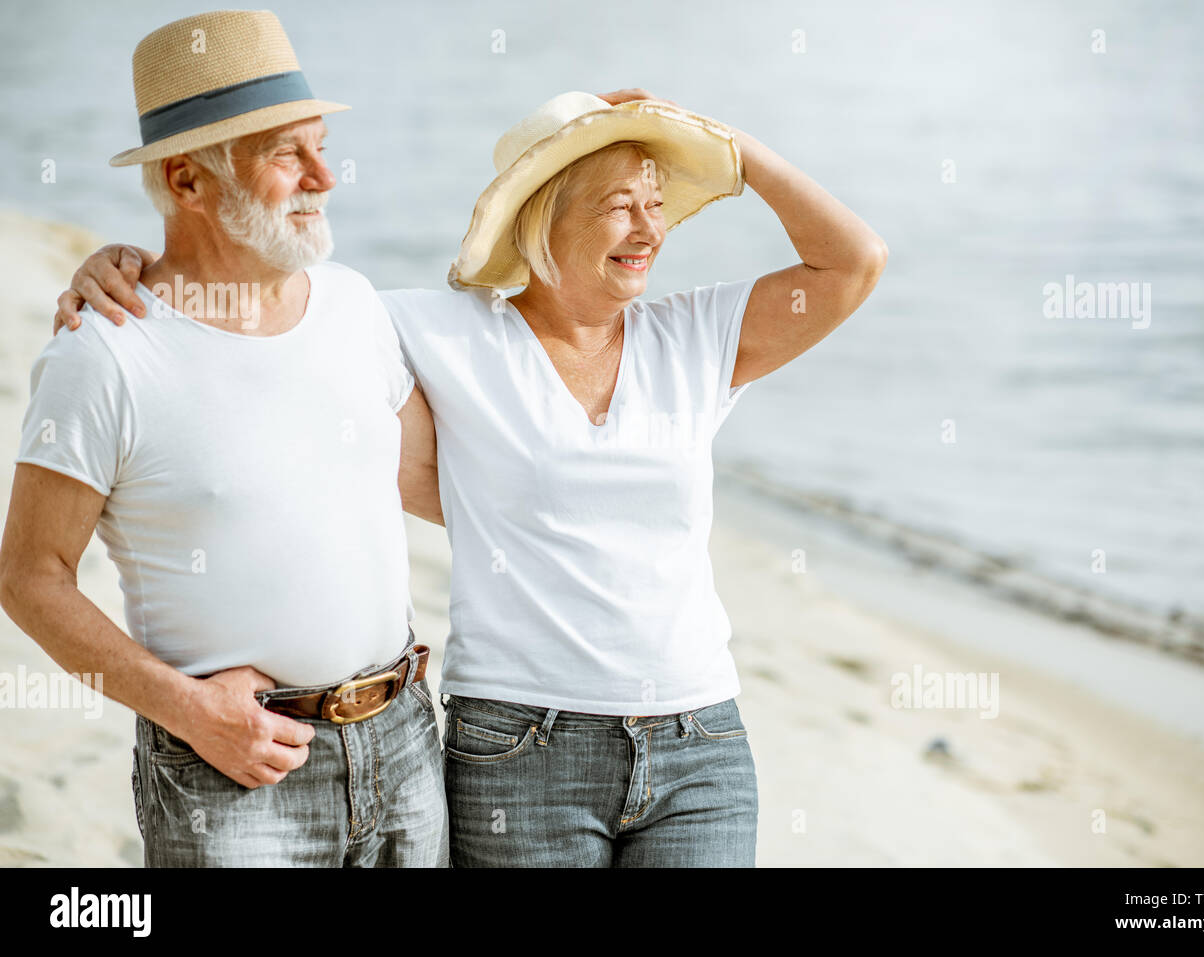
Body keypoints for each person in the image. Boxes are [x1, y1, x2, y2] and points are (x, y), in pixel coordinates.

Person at [54, 88, 887, 867]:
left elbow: (852, 261)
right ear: (543, 218)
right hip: (521, 745)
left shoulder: (698, 337)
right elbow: (262, 299)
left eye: (658, 202)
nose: (649, 229)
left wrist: (726, 144)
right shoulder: (430, 329)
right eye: (618, 205)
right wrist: (128, 266)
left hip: (700, 742)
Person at [0, 10, 448, 867]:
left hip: (405, 742)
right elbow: (28, 578)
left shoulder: (354, 303)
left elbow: (436, 479)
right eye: (288, 154)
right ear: (187, 180)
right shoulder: (101, 356)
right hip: (234, 773)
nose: (326, 175)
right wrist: (191, 710)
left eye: (321, 145)